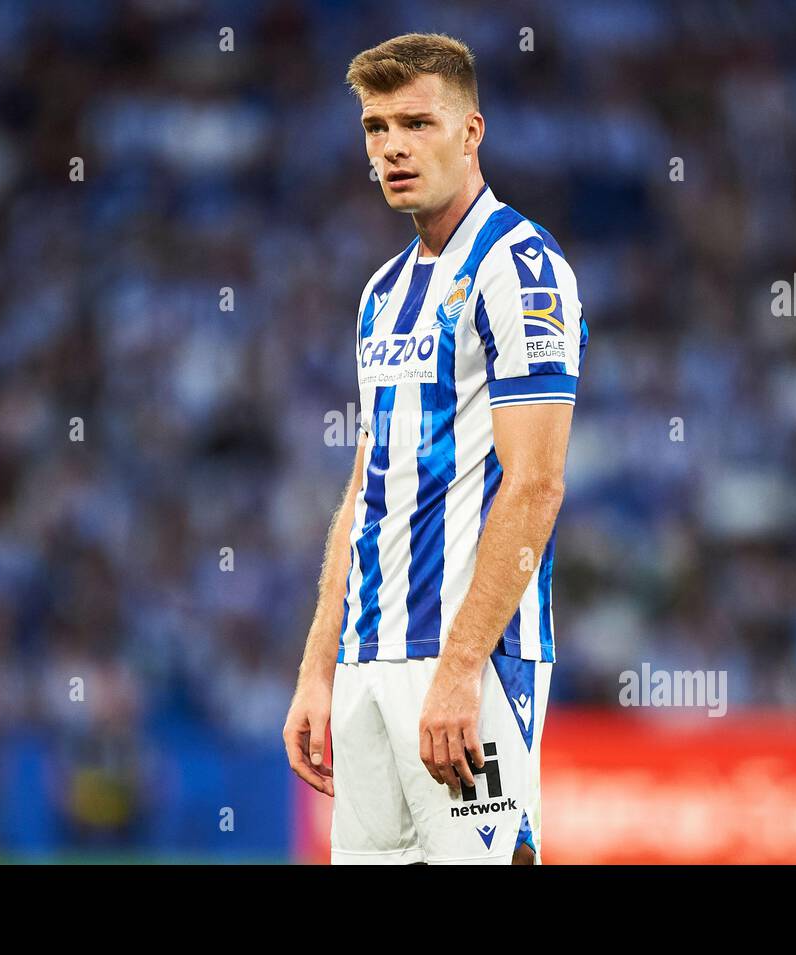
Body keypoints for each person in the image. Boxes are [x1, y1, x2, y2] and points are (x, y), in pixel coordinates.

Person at [283, 33, 586, 864]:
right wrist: (320, 665)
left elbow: (536, 484)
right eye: (376, 128)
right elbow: (365, 489)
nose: (392, 148)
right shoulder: (381, 294)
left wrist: (460, 668)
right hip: (367, 663)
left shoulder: (520, 268)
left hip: (465, 666)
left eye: (417, 123)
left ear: (470, 131)